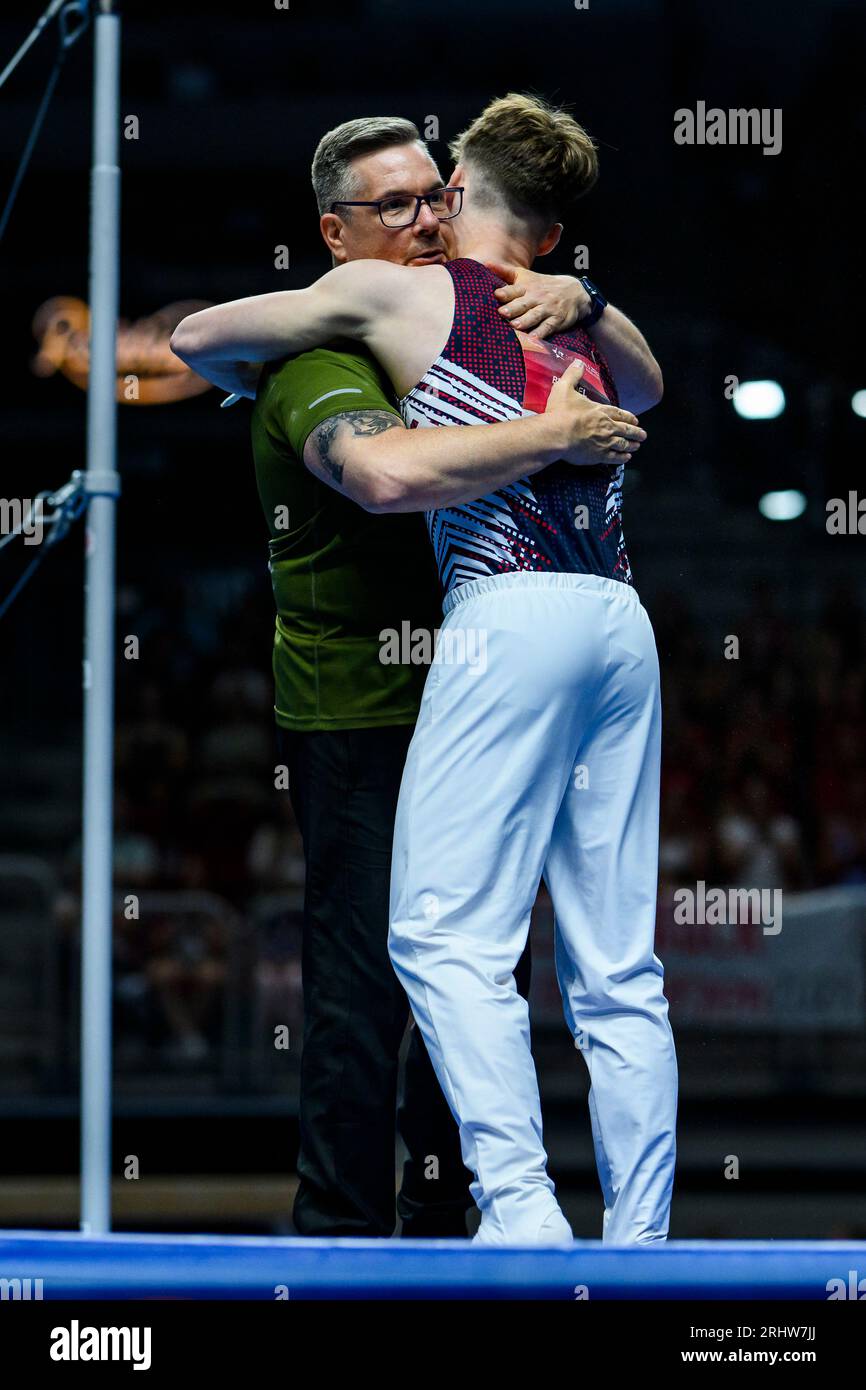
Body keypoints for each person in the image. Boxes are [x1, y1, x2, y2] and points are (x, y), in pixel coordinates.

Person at [172, 93, 676, 1247]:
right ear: (550, 231)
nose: (419, 210)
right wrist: (590, 299)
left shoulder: (404, 290)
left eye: (429, 192)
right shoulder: (586, 321)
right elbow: (647, 392)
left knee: (445, 941)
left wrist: (280, 341)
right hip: (620, 621)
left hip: (508, 615)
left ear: (456, 197)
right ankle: (643, 1241)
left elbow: (199, 340)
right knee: (613, 961)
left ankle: (523, 1215)